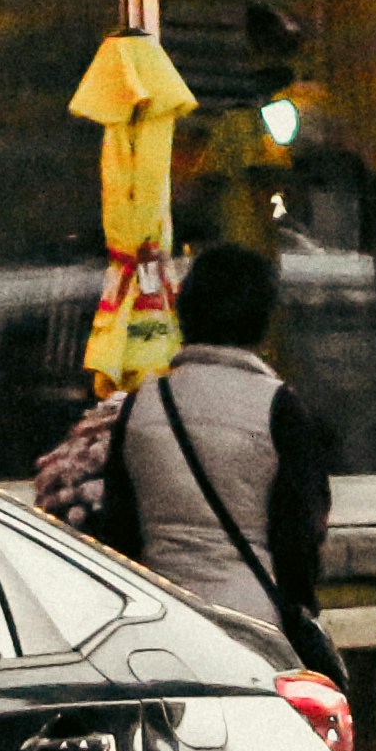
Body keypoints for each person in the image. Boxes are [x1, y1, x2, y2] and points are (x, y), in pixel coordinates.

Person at [104, 242, 334, 668]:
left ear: (185, 311)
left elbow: (118, 529)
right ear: (262, 319)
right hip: (254, 632)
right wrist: (301, 612)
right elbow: (299, 535)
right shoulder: (280, 409)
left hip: (160, 629)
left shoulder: (140, 406)